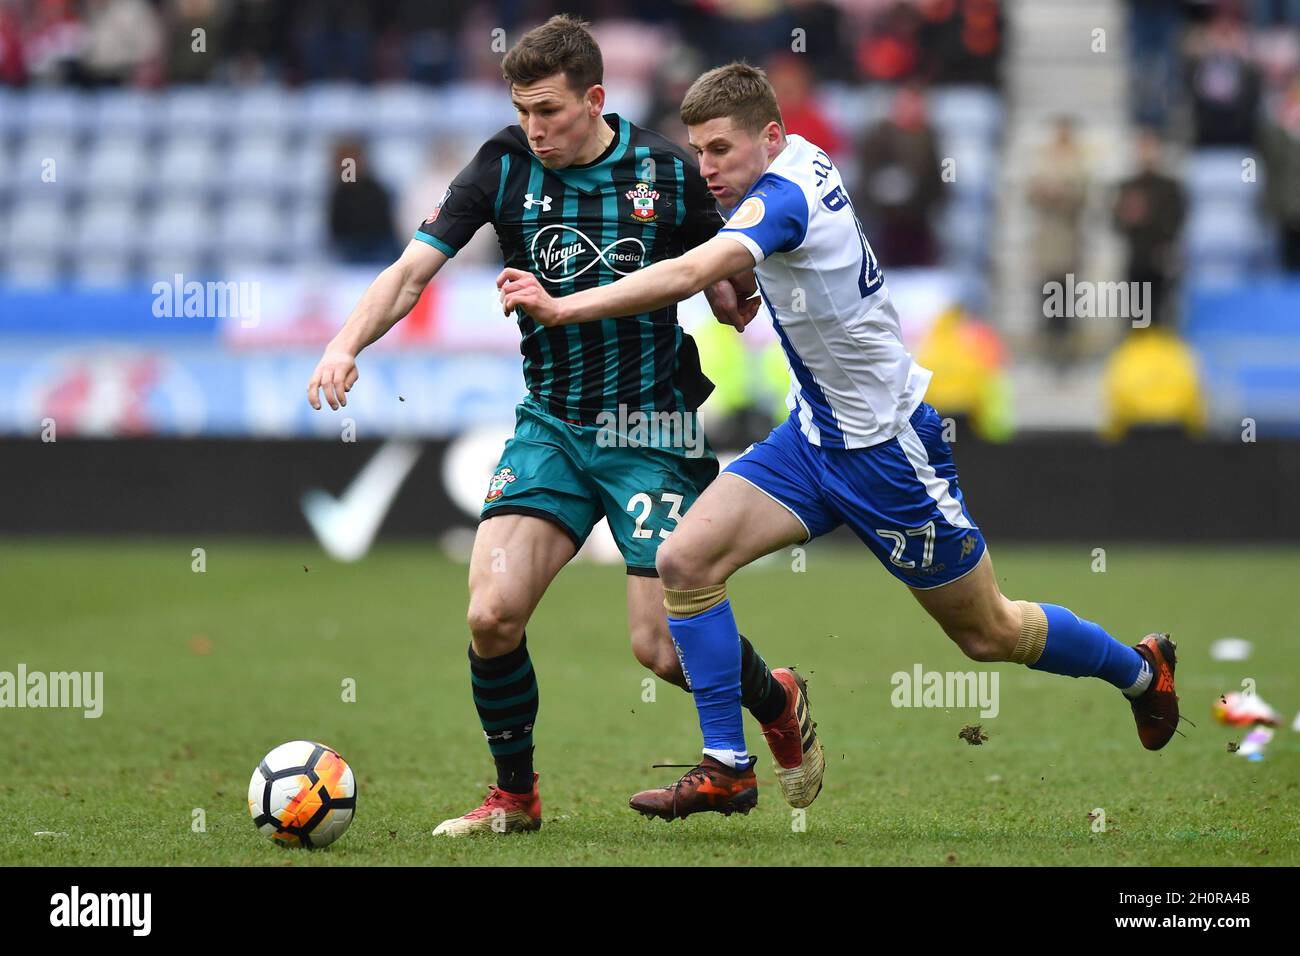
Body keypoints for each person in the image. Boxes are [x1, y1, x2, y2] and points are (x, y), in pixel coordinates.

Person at [499, 62, 1182, 820]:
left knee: (989, 633)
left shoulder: (783, 198)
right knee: (684, 561)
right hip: (811, 439)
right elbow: (735, 251)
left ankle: (1141, 672)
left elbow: (692, 269)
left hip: (888, 453)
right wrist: (737, 274)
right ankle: (728, 764)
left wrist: (563, 307)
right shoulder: (798, 164)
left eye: (721, 150)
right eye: (698, 151)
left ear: (771, 136)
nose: (707, 168)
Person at [307, 18, 820, 835]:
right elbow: (410, 271)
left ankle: (775, 697)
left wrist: (730, 298)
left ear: (594, 99)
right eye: (523, 110)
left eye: (548, 110)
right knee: (491, 614)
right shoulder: (502, 165)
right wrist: (344, 344)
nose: (535, 127)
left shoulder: (666, 170)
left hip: (650, 431)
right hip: (551, 423)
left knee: (659, 649)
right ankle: (515, 796)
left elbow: (721, 267)